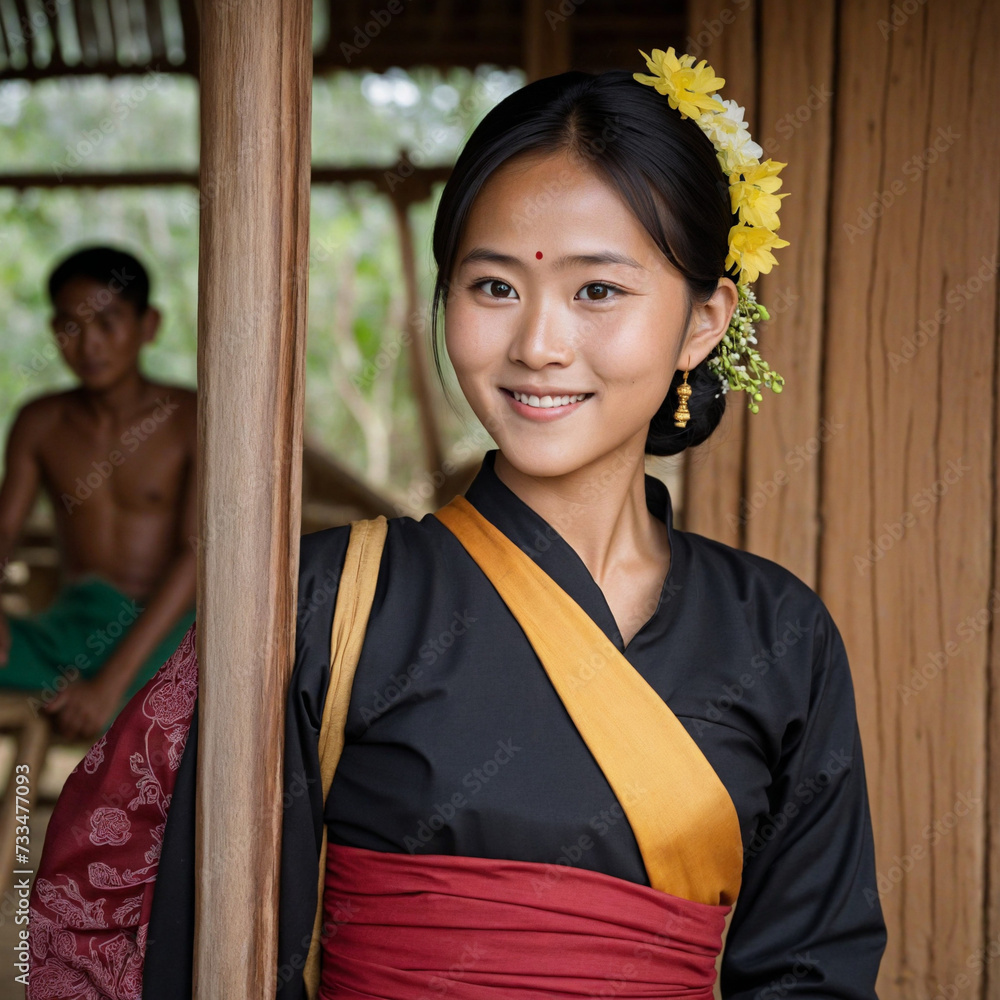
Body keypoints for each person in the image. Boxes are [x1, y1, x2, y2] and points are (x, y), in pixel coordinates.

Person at [28, 49, 886, 999]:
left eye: (598, 290)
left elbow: (811, 969)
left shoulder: (780, 634)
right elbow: (173, 917)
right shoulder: (326, 602)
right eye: (494, 288)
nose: (538, 345)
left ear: (701, 322)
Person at [0, 245, 197, 740]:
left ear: (149, 324)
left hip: (169, 632)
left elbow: (199, 554)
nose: (89, 345)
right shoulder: (40, 422)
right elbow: (5, 529)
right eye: (70, 326)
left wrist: (109, 685)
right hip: (71, 631)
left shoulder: (192, 419)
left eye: (107, 323)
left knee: (195, 683)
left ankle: (121, 697)